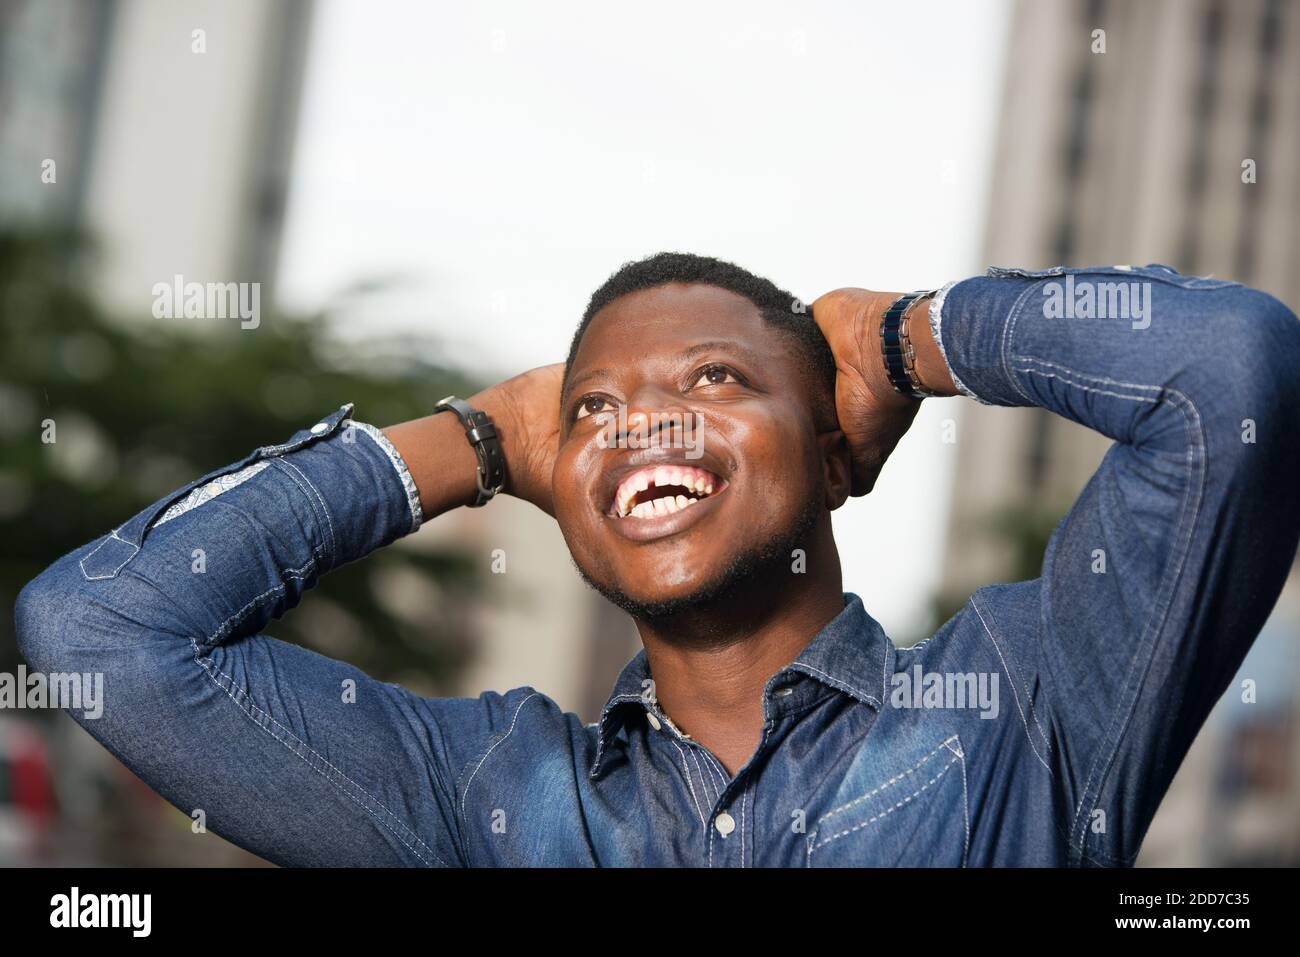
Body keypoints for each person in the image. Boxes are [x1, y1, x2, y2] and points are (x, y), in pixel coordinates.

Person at [16, 253, 1300, 866]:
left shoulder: (1031, 705)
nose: (645, 421)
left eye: (717, 377)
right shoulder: (480, 800)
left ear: (835, 449)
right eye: (591, 410)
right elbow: (97, 633)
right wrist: (462, 442)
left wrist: (906, 337)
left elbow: (1232, 371)